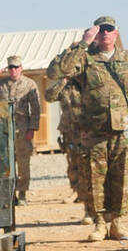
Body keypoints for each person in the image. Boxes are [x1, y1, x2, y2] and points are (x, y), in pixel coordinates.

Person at [57, 17, 128, 242]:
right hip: (93, 130)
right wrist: (82, 43)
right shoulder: (85, 59)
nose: (105, 34)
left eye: (109, 30)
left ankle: (117, 223)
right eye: (100, 30)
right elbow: (61, 70)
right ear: (95, 34)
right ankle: (99, 224)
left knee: (120, 178)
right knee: (94, 179)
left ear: (116, 33)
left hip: (122, 130)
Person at [44, 52, 90, 220]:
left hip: (84, 131)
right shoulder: (65, 86)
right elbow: (49, 96)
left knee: (85, 166)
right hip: (69, 132)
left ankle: (86, 199)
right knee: (72, 166)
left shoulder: (84, 84)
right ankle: (75, 191)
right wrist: (62, 82)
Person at [0, 56, 41, 205]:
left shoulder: (29, 84)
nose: (13, 70)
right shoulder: (2, 84)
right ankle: (10, 196)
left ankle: (22, 194)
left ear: (21, 68)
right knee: (7, 165)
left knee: (23, 164)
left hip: (23, 131)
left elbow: (36, 109)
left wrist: (32, 128)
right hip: (4, 131)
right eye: (11, 67)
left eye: (16, 67)